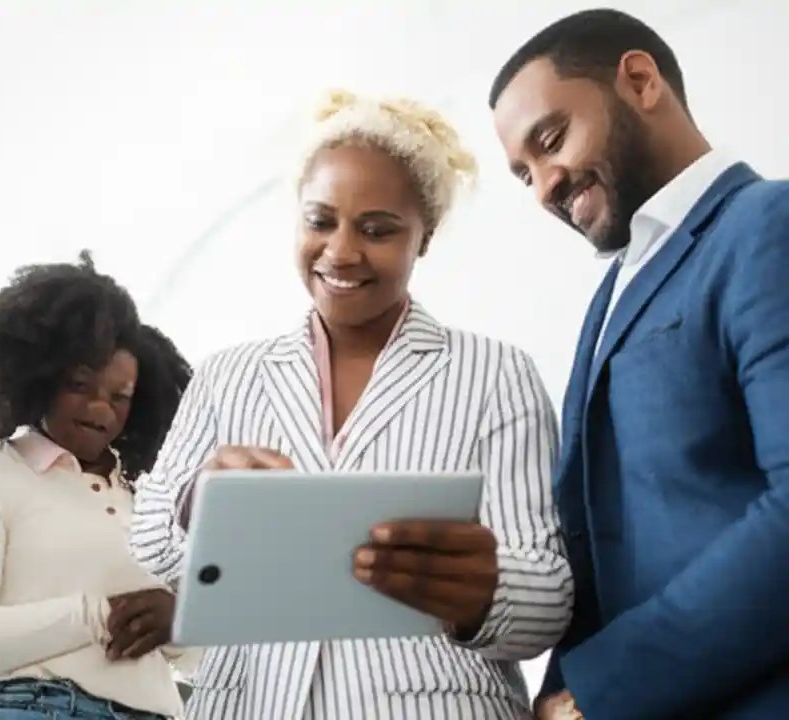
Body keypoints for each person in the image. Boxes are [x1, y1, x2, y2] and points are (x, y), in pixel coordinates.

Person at [130, 90, 572, 719]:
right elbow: (148, 539)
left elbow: (549, 595)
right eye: (320, 221)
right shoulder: (230, 375)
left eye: (377, 229)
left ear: (425, 237)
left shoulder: (495, 374)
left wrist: (482, 594)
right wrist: (196, 502)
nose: (340, 251)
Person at [489, 8, 789, 719]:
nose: (543, 188)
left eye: (551, 140)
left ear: (640, 80)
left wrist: (597, 694)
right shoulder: (612, 294)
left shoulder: (765, 226)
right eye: (522, 173)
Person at [0, 252, 195, 720]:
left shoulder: (147, 501)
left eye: (120, 397)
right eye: (79, 385)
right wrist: (93, 616)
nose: (99, 409)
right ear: (39, 376)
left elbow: (201, 663)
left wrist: (181, 620)